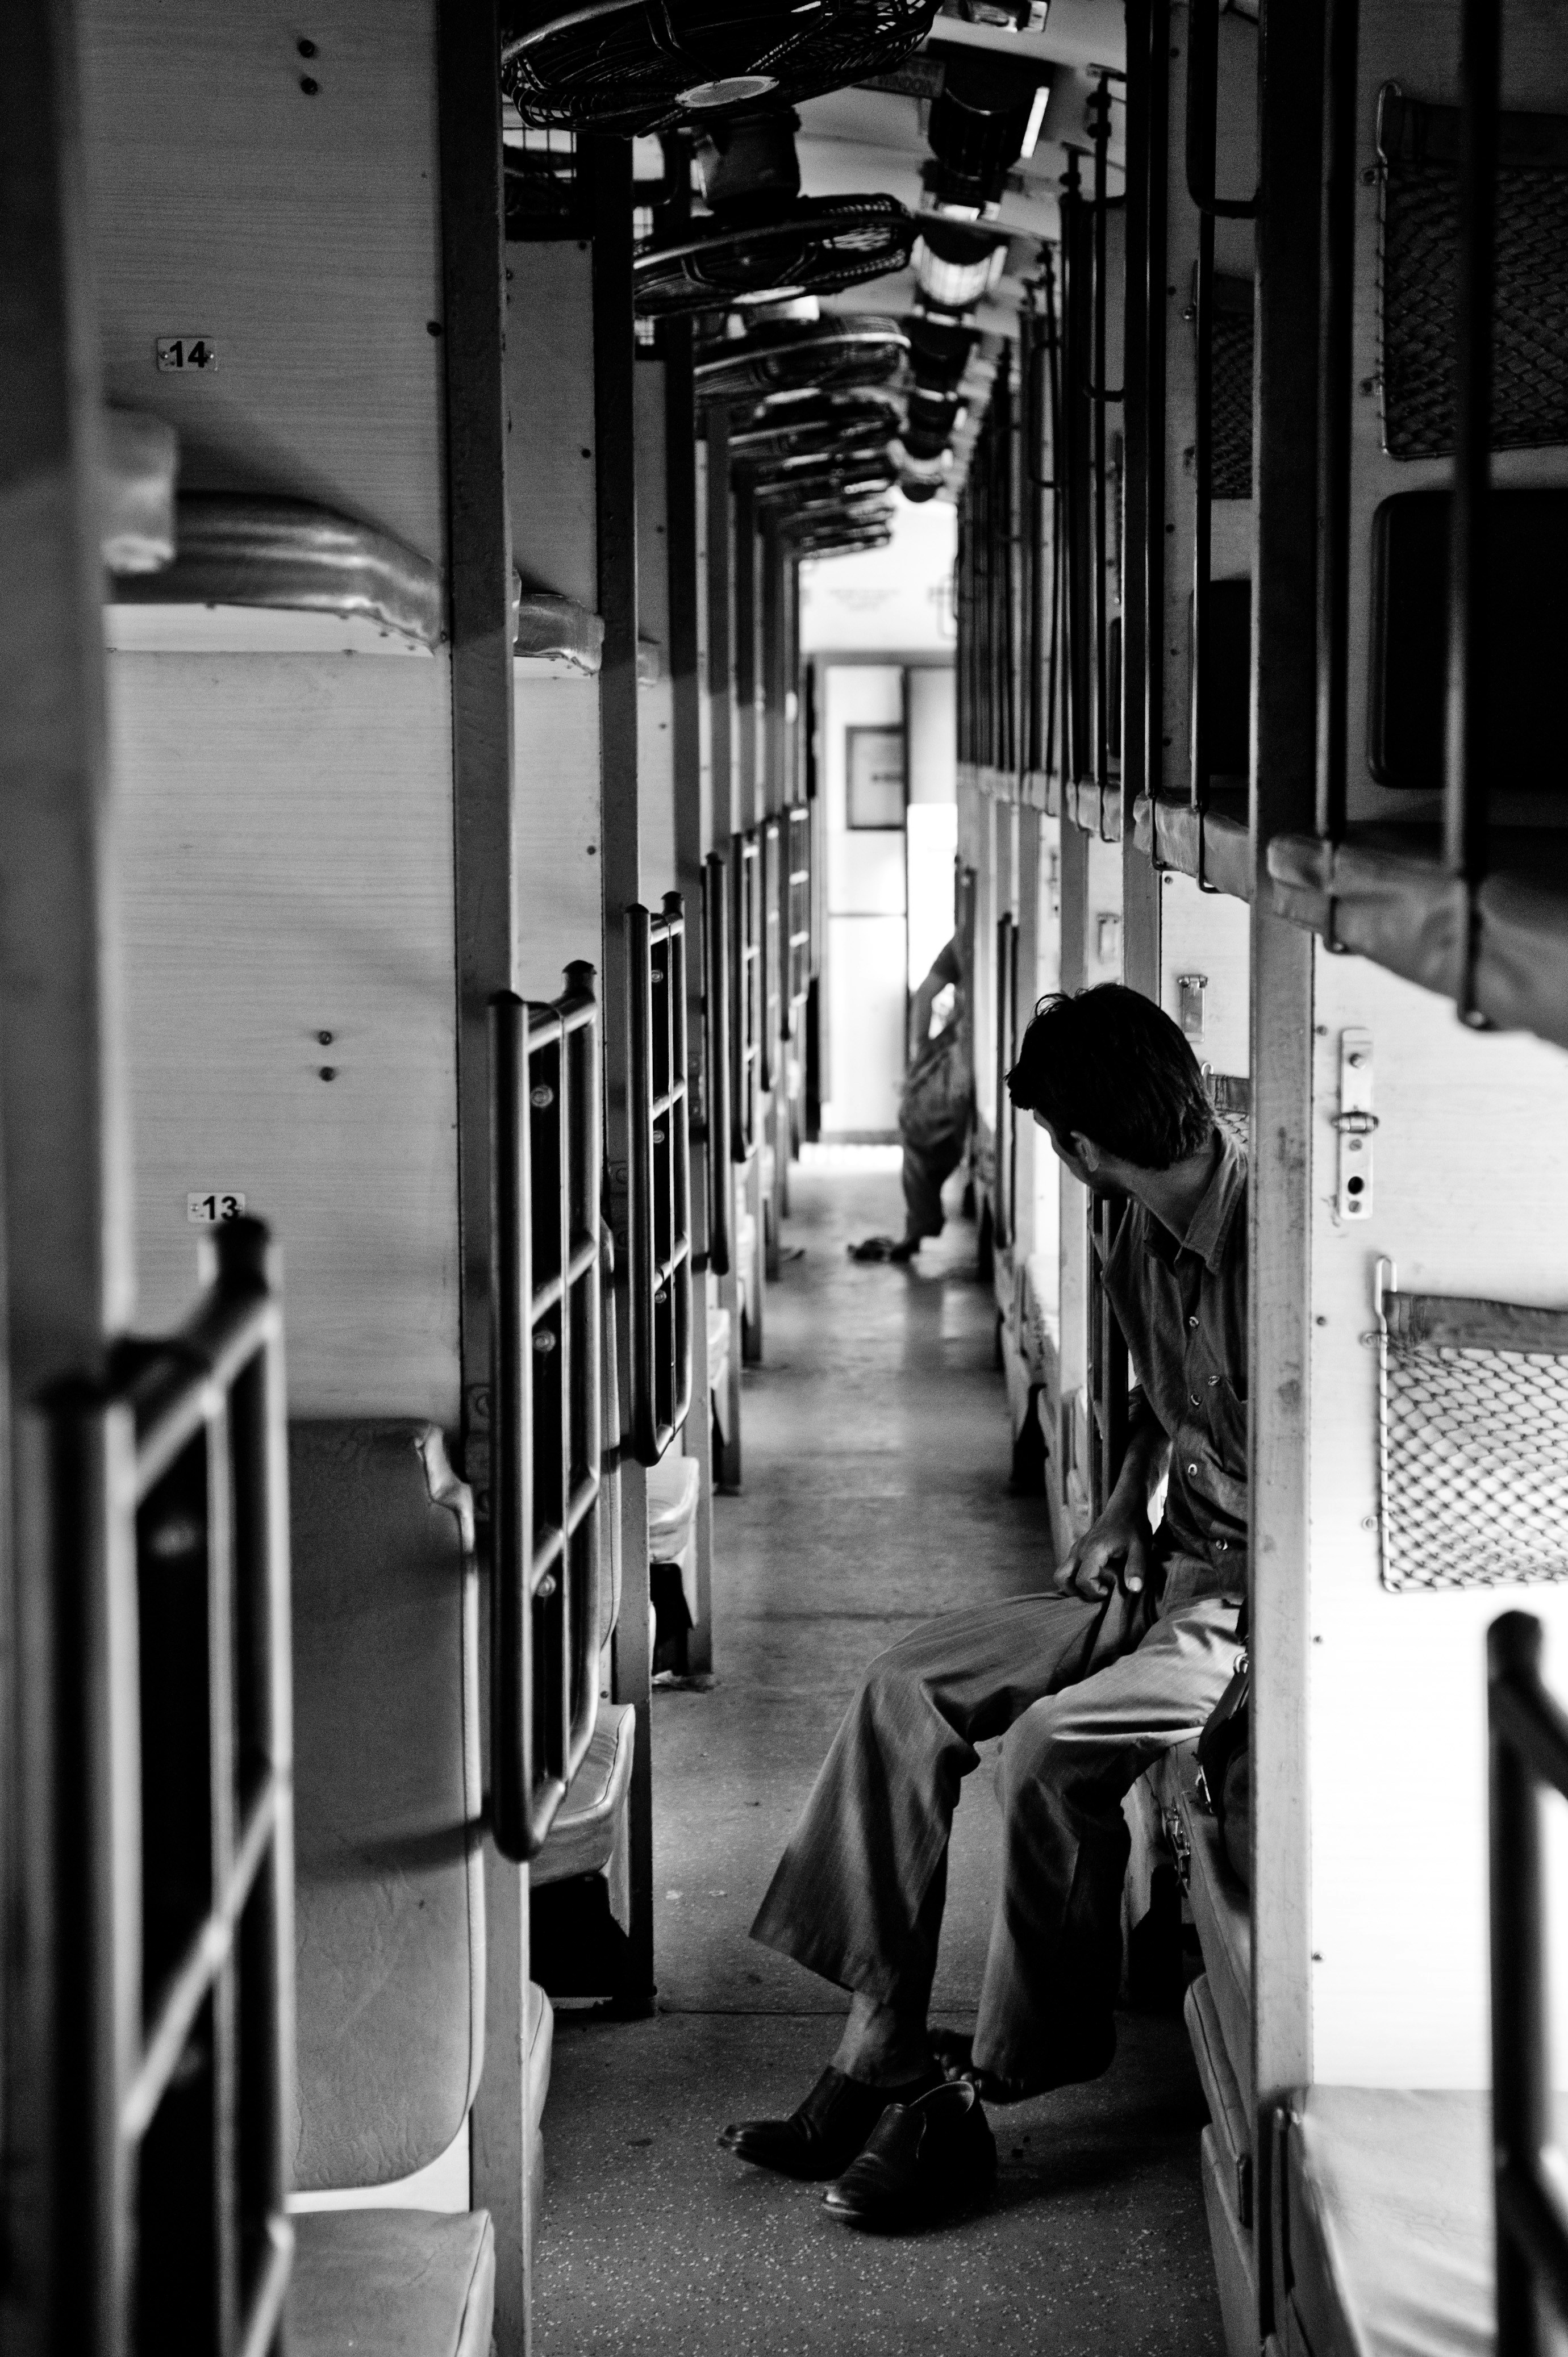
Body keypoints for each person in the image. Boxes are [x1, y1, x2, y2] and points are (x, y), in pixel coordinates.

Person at [721, 983, 1248, 2231]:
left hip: (1261, 1601)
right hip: (1166, 1557)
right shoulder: (1129, 1224)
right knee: (907, 1685)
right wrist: (1124, 1503)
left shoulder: (1280, 1243)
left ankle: (986, 2085)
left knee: (1055, 1749)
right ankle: (880, 2039)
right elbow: (1148, 1401)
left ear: (1076, 1145)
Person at [849, 936, 971, 1265]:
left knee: (915, 1127)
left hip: (962, 1057)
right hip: (991, 1054)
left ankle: (919, 1224)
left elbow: (926, 995)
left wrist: (922, 1049)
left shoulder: (964, 940)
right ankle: (919, 1224)